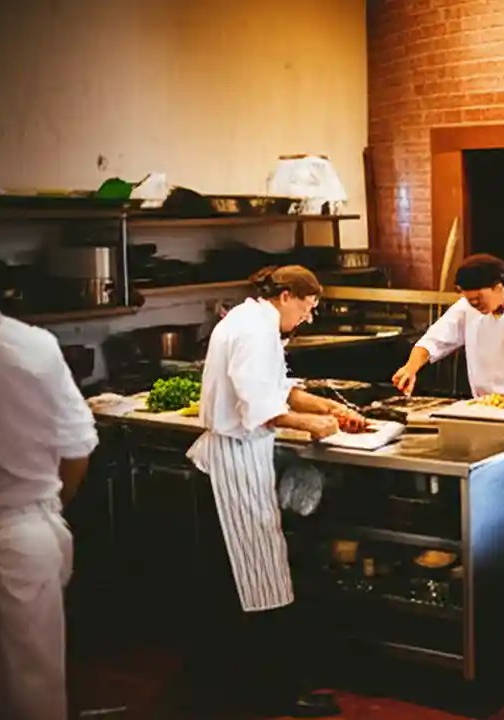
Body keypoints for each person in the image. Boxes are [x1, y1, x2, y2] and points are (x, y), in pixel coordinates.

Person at [187, 265, 361, 717]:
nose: (307, 317)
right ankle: (271, 695)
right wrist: (314, 424)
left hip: (240, 459)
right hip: (233, 464)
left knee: (259, 577)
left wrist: (321, 403)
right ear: (286, 296)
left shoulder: (252, 320)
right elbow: (260, 407)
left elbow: (277, 388)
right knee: (261, 581)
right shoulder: (254, 331)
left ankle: (260, 687)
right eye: (307, 307)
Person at [0, 240, 98, 720]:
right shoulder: (37, 341)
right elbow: (79, 448)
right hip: (47, 532)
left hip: (0, 542)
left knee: (15, 691)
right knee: (29, 676)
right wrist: (45, 505)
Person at [392, 253, 504, 397]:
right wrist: (410, 368)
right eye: (468, 300)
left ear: (498, 287)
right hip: (481, 406)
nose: (473, 304)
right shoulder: (467, 308)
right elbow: (434, 340)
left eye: (477, 299)